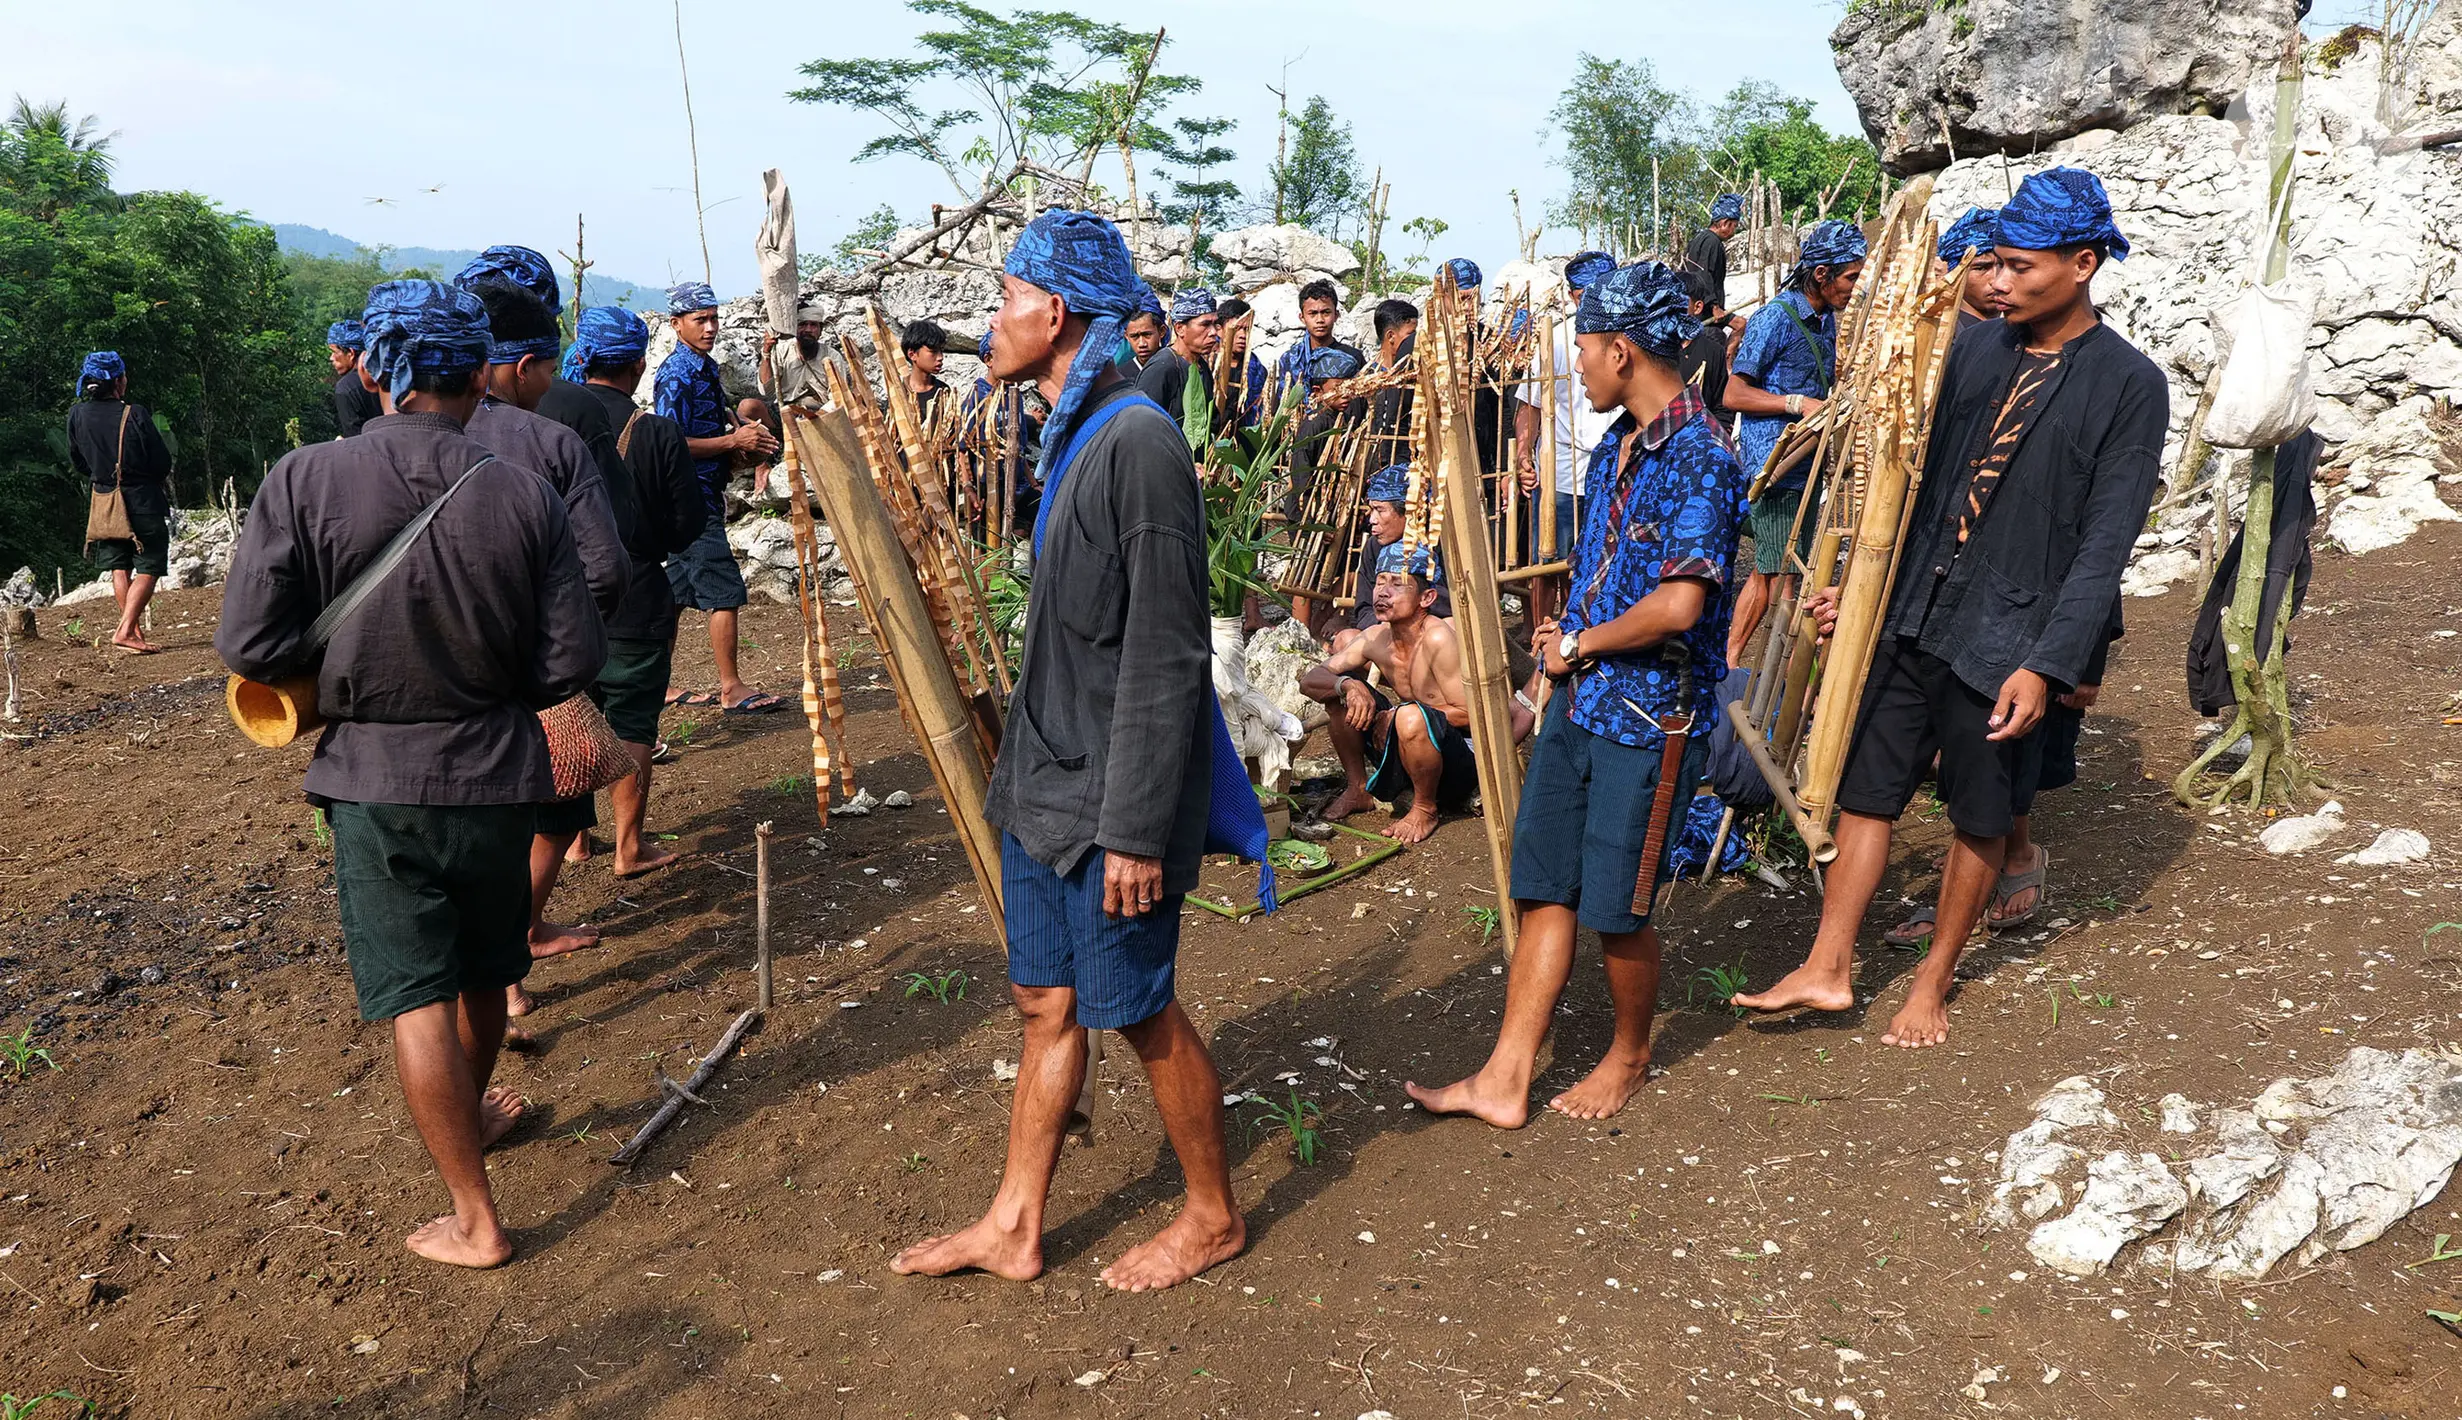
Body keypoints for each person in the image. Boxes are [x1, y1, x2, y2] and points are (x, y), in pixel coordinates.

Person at [216, 279, 604, 1267]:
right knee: (483, 973)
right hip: (500, 775)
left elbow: (250, 645)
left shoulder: (303, 479)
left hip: (376, 781)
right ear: (479, 376)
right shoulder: (523, 489)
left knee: (416, 996)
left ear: (379, 374)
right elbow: (569, 661)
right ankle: (473, 1123)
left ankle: (475, 1218)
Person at [1733, 168, 2168, 1049]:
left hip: (2009, 634)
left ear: (2083, 264)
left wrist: (2048, 664)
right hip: (1912, 610)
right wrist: (1861, 592)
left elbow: (2104, 544)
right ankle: (1828, 966)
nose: (1997, 283)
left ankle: (1934, 981)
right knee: (1867, 792)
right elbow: (1915, 489)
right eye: (1994, 264)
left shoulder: (2129, 384)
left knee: (1979, 812)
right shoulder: (1974, 352)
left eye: (2019, 267)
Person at [892, 209, 1243, 1294]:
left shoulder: (1138, 443)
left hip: (1108, 799)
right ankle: (1014, 1222)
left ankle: (1212, 1216)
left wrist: (1135, 830)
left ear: (1053, 312)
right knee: (1045, 1004)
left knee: (1135, 1009)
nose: (989, 321)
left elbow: (1167, 652)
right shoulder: (1075, 430)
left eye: (1004, 298)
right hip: (1046, 782)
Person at [1406, 261, 1745, 1126]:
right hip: (1580, 701)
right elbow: (1604, 569)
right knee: (1543, 884)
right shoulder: (1616, 448)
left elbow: (1679, 605)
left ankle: (1628, 1057)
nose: (1579, 367)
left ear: (1622, 351)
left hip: (1649, 719)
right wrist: (1568, 632)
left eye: (1586, 350)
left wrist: (1582, 643)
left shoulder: (1702, 456)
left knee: (1619, 909)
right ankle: (1505, 1076)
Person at [461, 279, 630, 986]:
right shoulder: (549, 442)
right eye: (549, 368)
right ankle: (514, 950)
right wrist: (561, 653)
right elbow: (605, 569)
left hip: (432, 684)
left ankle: (494, 966)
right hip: (532, 675)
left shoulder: (366, 449)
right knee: (555, 809)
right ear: (524, 366)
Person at [567, 304, 711, 880]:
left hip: (563, 598)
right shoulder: (655, 432)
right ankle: (629, 847)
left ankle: (574, 840)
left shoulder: (549, 420)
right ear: (638, 365)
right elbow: (687, 523)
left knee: (573, 713)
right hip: (637, 593)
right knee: (631, 720)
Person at [1724, 218, 1867, 667]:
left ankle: (1734, 663)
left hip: (1805, 465)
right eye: (1850, 277)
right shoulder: (1775, 319)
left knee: (1773, 569)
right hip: (1775, 467)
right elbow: (1733, 394)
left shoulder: (1824, 321)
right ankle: (1771, 671)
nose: (1855, 287)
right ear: (1821, 274)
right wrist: (1796, 403)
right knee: (1781, 576)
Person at [1303, 541, 1502, 844]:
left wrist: (1397, 715)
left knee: (1410, 717)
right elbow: (1310, 680)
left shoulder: (1438, 638)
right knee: (1340, 697)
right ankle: (1358, 788)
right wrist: (1348, 686)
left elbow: (1471, 714)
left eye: (1397, 584)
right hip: (1410, 742)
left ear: (1426, 598)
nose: (1383, 592)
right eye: (1380, 582)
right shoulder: (1375, 637)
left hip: (1459, 758)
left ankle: (1425, 808)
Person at [655, 281, 784, 714]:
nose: (710, 327)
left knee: (674, 595)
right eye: (700, 320)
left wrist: (740, 434)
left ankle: (657, 683)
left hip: (704, 491)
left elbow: (717, 415)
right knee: (724, 590)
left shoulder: (705, 367)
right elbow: (671, 443)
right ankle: (732, 687)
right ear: (676, 324)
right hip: (688, 499)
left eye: (714, 318)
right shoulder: (676, 375)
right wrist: (732, 443)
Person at [1514, 250, 1619, 606]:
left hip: (1614, 469)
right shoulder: (1556, 339)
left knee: (1604, 562)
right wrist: (1523, 455)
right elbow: (1530, 406)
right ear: (1573, 296)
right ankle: (1539, 632)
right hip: (1561, 470)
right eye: (1583, 294)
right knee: (1547, 564)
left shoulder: (1630, 336)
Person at [68, 351, 173, 653]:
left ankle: (133, 632)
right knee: (150, 563)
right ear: (118, 381)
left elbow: (78, 462)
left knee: (120, 566)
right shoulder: (134, 414)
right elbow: (161, 462)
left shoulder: (77, 414)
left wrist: (103, 477)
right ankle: (125, 631)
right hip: (141, 499)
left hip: (105, 501)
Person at [1337, 463, 1453, 637]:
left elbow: (1456, 604)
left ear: (1408, 512)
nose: (1372, 520)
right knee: (1345, 639)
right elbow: (1364, 610)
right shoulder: (1374, 547)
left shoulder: (1443, 544)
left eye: (1380, 510)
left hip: (1431, 628)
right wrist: (1390, 624)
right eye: (1371, 509)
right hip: (1388, 631)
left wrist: (1409, 614)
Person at [1270, 278, 1366, 416]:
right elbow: (1281, 405)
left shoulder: (1352, 358)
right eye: (1313, 313)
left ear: (1336, 315)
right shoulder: (1291, 359)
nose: (1320, 320)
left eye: (1326, 312)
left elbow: (1361, 404)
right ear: (1302, 317)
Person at [1136, 289, 1221, 437]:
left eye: (1215, 324)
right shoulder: (1162, 368)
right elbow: (1141, 426)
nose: (1213, 332)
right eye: (1205, 324)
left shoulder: (1201, 366)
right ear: (1180, 329)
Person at [1365, 298, 1420, 467]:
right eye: (1410, 335)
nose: (1415, 341)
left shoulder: (1413, 375)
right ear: (1390, 336)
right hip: (1374, 465)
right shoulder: (1367, 380)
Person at [1937, 206, 2005, 334]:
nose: (1996, 279)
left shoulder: (2020, 332)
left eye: (2003, 266)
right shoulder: (1943, 336)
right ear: (1956, 274)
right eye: (1981, 268)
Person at [1685, 193, 1745, 333]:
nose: (1733, 231)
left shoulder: (1698, 239)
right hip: (1705, 310)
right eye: (1734, 226)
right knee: (1741, 325)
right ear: (1724, 223)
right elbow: (1703, 273)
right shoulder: (1712, 242)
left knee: (1740, 324)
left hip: (1697, 306)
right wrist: (1714, 306)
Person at [1677, 270, 1731, 417]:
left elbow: (1723, 407)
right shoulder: (1655, 352)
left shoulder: (1713, 352)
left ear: (1697, 307)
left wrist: (1714, 430)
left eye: (1679, 302)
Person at [1214, 296, 1270, 427]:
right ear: (1219, 330)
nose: (1242, 335)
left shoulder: (1257, 371)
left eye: (1246, 329)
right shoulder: (1207, 365)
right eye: (1236, 328)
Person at [764, 305, 831, 412]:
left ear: (820, 330)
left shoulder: (831, 356)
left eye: (813, 325)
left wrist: (822, 412)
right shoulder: (782, 351)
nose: (808, 330)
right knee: (748, 406)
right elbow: (766, 390)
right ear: (795, 328)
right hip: (785, 410)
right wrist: (766, 353)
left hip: (820, 412)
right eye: (802, 324)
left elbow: (838, 395)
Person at [328, 320, 382, 437]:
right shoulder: (384, 376)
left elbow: (353, 438)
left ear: (351, 353)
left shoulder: (345, 388)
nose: (331, 358)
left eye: (334, 352)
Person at [902, 318, 953, 422]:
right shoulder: (899, 394)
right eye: (933, 351)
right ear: (912, 354)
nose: (940, 357)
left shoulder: (943, 392)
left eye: (941, 350)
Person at [1118, 295, 1166, 374]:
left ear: (1161, 331)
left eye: (1147, 335)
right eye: (1134, 336)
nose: (1142, 344)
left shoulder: (1176, 366)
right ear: (1126, 336)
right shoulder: (1121, 375)